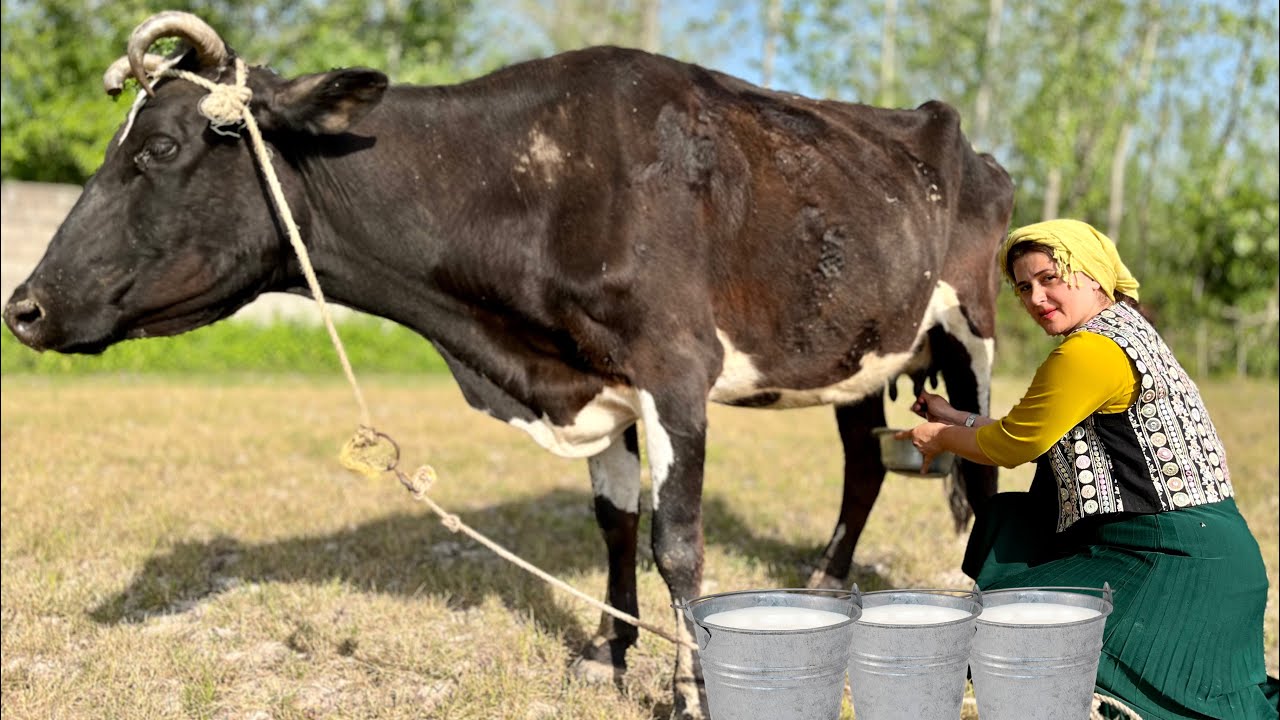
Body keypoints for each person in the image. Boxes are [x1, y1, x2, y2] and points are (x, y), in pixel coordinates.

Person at [900, 219, 1279, 719]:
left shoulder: (1089, 352)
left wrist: (940, 438)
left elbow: (1014, 444)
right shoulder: (1119, 332)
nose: (1037, 298)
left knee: (1001, 630)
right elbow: (1033, 431)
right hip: (1198, 553)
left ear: (1093, 276)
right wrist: (955, 417)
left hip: (1173, 561)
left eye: (1050, 278)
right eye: (1024, 287)